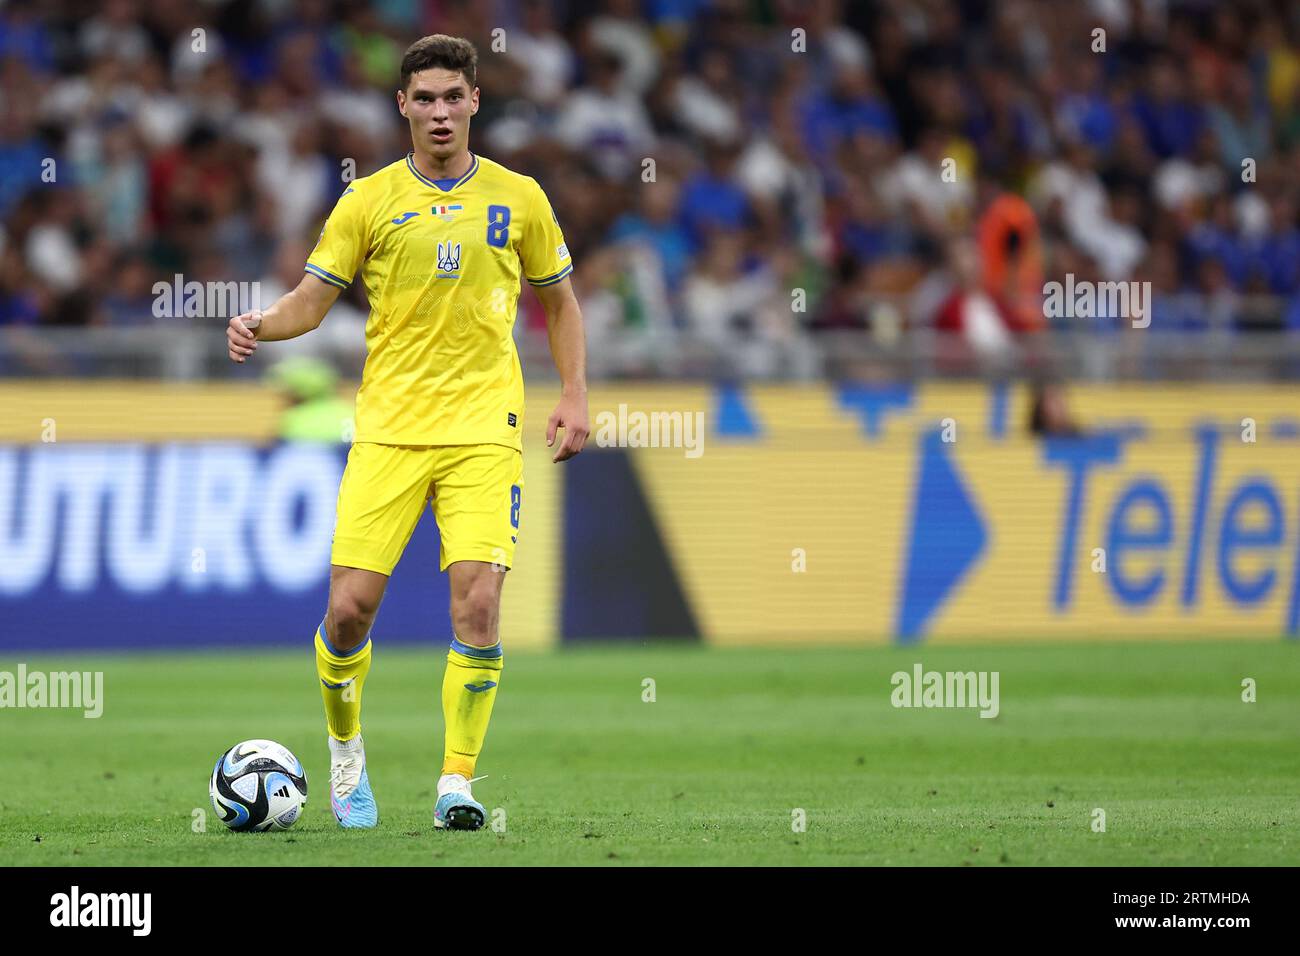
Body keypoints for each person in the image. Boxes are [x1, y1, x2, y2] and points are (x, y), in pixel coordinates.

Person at [226, 34, 589, 831]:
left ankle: (456, 782)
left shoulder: (520, 197)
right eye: (423, 98)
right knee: (350, 610)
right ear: (402, 106)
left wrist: (573, 394)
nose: (439, 112)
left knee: (480, 604)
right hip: (389, 429)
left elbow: (560, 300)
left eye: (452, 97)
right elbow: (311, 301)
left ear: (474, 102)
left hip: (485, 430)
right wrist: (263, 322)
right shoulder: (368, 201)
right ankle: (347, 759)